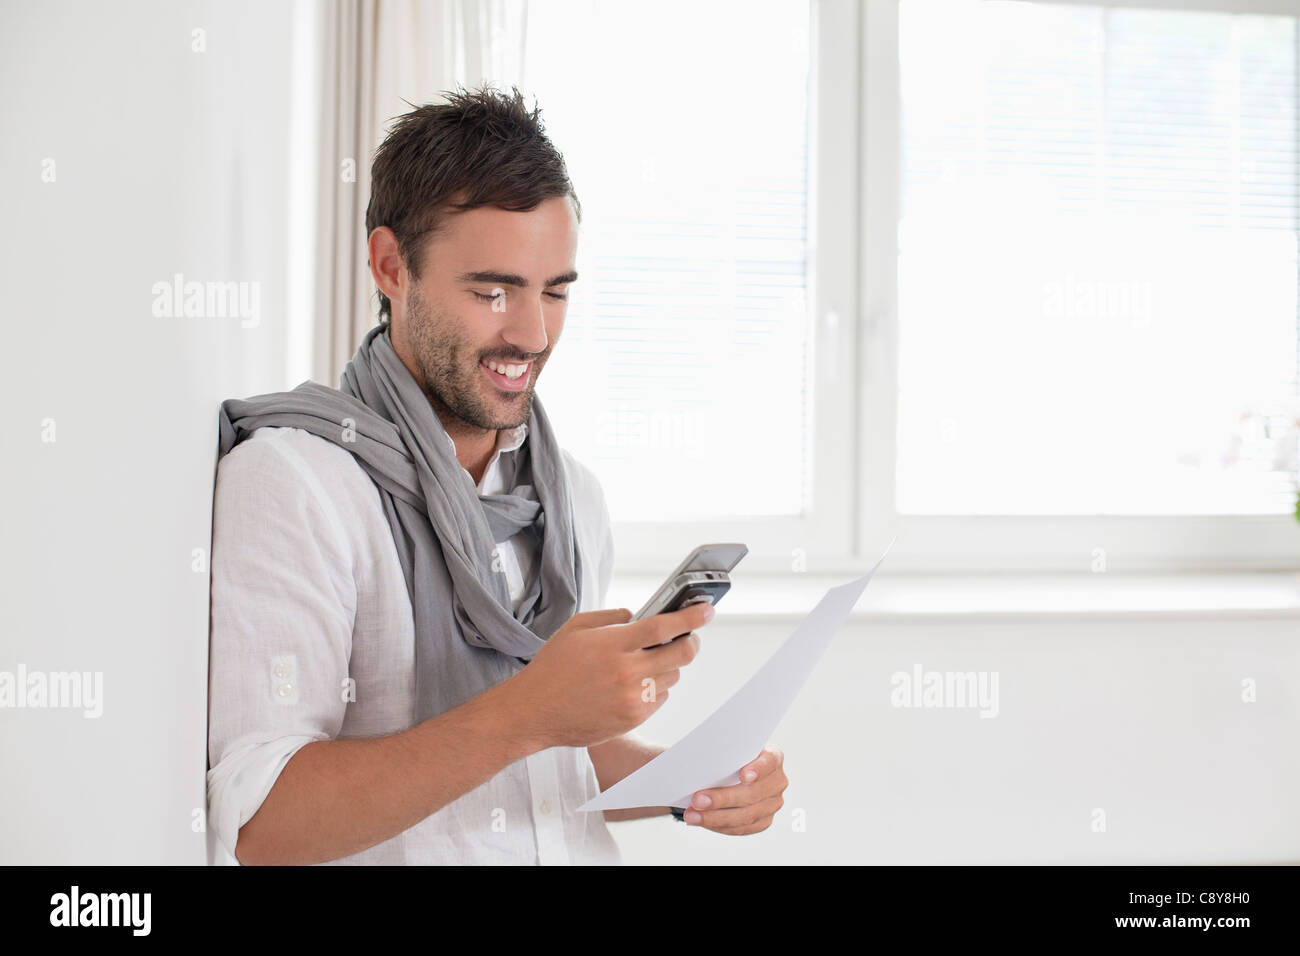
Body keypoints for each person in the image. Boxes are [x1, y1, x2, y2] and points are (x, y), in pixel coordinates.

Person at [206, 86, 788, 865]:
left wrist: (690, 785)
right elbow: (262, 824)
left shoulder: (569, 496)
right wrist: (527, 714)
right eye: (492, 290)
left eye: (554, 291)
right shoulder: (295, 485)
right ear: (390, 266)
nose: (533, 333)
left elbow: (555, 766)